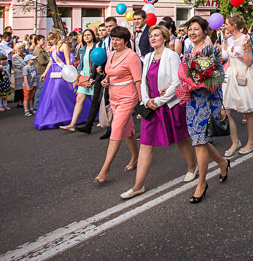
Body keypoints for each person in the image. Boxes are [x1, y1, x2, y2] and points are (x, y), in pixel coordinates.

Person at [122, 26, 197, 199]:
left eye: (156, 35)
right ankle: (138, 185)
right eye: (151, 36)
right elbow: (143, 82)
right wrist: (147, 100)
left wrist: (159, 101)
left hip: (169, 105)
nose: (153, 38)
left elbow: (177, 81)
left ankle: (192, 167)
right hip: (151, 106)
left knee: (180, 138)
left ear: (164, 38)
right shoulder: (148, 57)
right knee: (146, 144)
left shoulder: (171, 56)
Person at [174, 16, 229, 203]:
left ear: (205, 31)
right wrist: (188, 82)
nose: (192, 32)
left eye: (196, 29)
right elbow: (183, 73)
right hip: (192, 101)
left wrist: (201, 81)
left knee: (199, 141)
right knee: (199, 140)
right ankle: (222, 162)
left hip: (207, 101)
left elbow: (218, 79)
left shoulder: (210, 52)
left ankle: (202, 183)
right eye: (190, 29)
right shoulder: (188, 52)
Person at [94, 26, 141, 183]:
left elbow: (138, 80)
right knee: (128, 130)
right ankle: (135, 157)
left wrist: (141, 102)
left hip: (128, 97)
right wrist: (106, 80)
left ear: (126, 41)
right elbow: (110, 73)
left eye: (118, 39)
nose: (114, 42)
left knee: (117, 128)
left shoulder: (132, 56)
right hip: (114, 96)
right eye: (113, 38)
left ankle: (105, 168)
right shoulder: (110, 54)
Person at [221, 14, 253, 157]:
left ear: (234, 25)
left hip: (243, 74)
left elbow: (248, 62)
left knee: (247, 111)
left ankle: (251, 142)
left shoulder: (245, 39)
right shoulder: (228, 39)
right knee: (226, 111)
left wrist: (241, 49)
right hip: (230, 75)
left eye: (227, 23)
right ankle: (235, 142)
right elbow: (228, 60)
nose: (225, 26)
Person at [33, 30, 78, 130]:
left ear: (57, 38)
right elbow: (50, 62)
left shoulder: (64, 46)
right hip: (52, 73)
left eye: (52, 39)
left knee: (58, 93)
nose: (50, 41)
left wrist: (68, 73)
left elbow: (67, 61)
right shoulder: (53, 48)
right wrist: (44, 73)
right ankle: (55, 116)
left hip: (62, 72)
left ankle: (67, 115)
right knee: (51, 96)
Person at [59, 28, 97, 131]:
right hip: (83, 76)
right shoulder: (82, 49)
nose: (87, 37)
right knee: (79, 99)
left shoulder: (97, 47)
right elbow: (80, 64)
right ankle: (72, 124)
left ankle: (104, 121)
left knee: (96, 101)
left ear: (93, 36)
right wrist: (77, 77)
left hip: (93, 76)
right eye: (85, 35)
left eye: (89, 35)